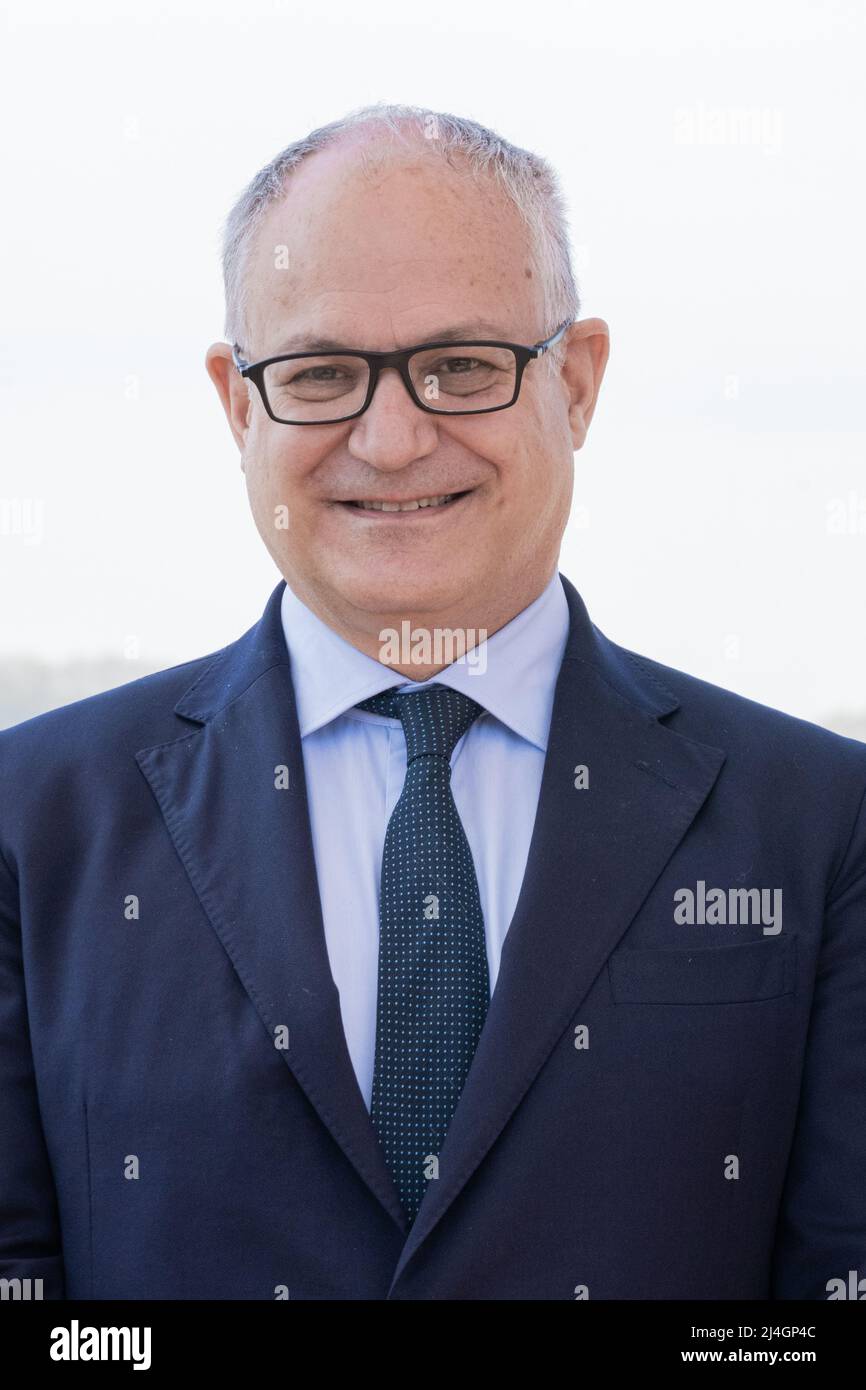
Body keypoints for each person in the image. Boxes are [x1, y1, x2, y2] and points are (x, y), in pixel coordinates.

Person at [1, 104, 864, 1301]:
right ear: (237, 404)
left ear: (574, 381)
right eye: (319, 373)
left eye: (460, 365)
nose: (393, 437)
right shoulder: (29, 823)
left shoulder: (822, 826)